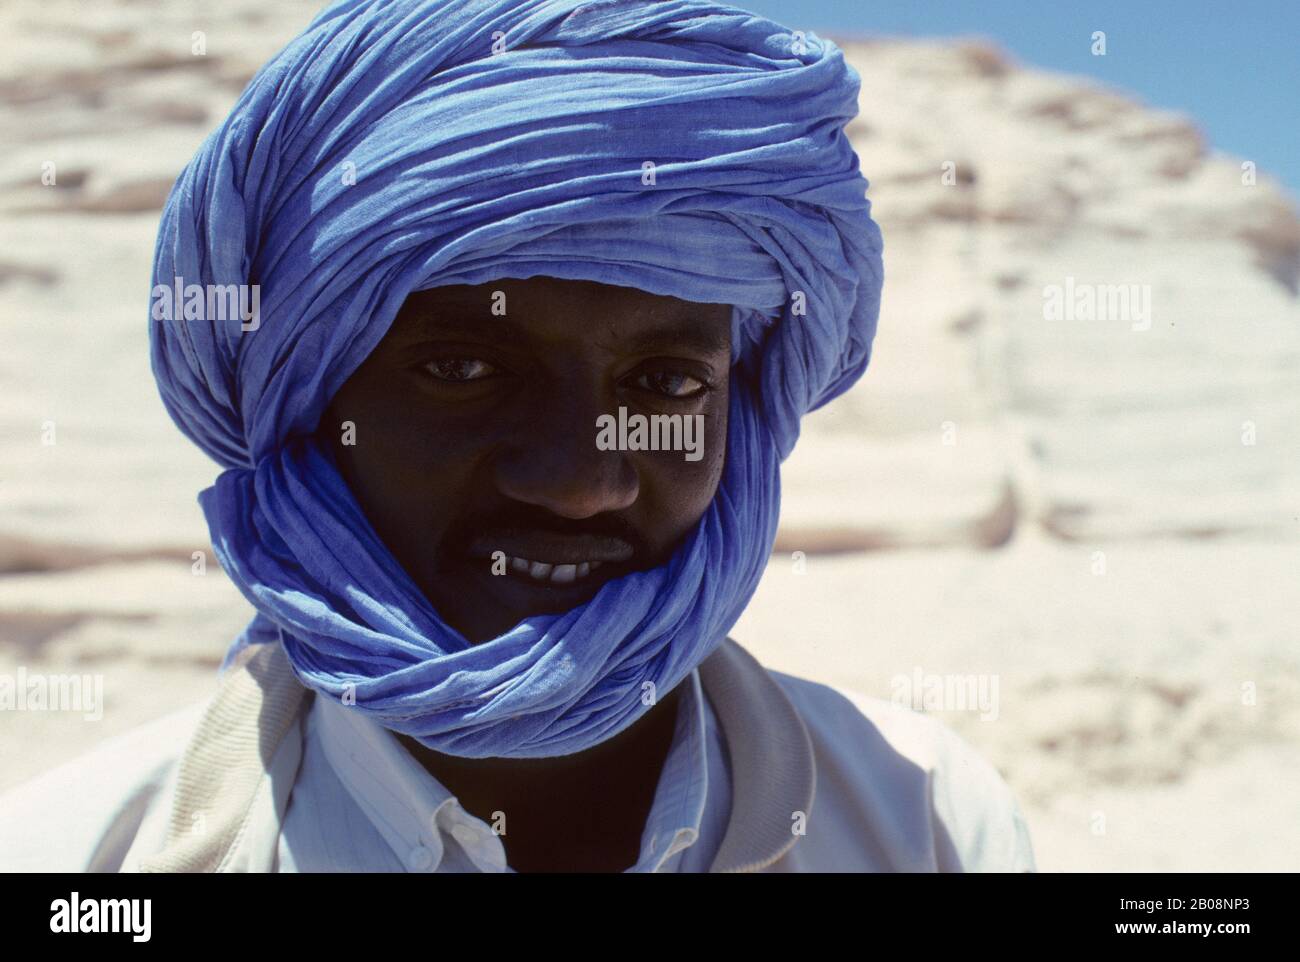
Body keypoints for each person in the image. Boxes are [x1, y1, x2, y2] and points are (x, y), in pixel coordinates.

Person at [0, 0, 1035, 873]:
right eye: (461, 369)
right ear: (307, 405)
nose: (579, 479)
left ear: (747, 413)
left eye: (665, 379)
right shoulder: (85, 855)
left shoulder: (927, 822)